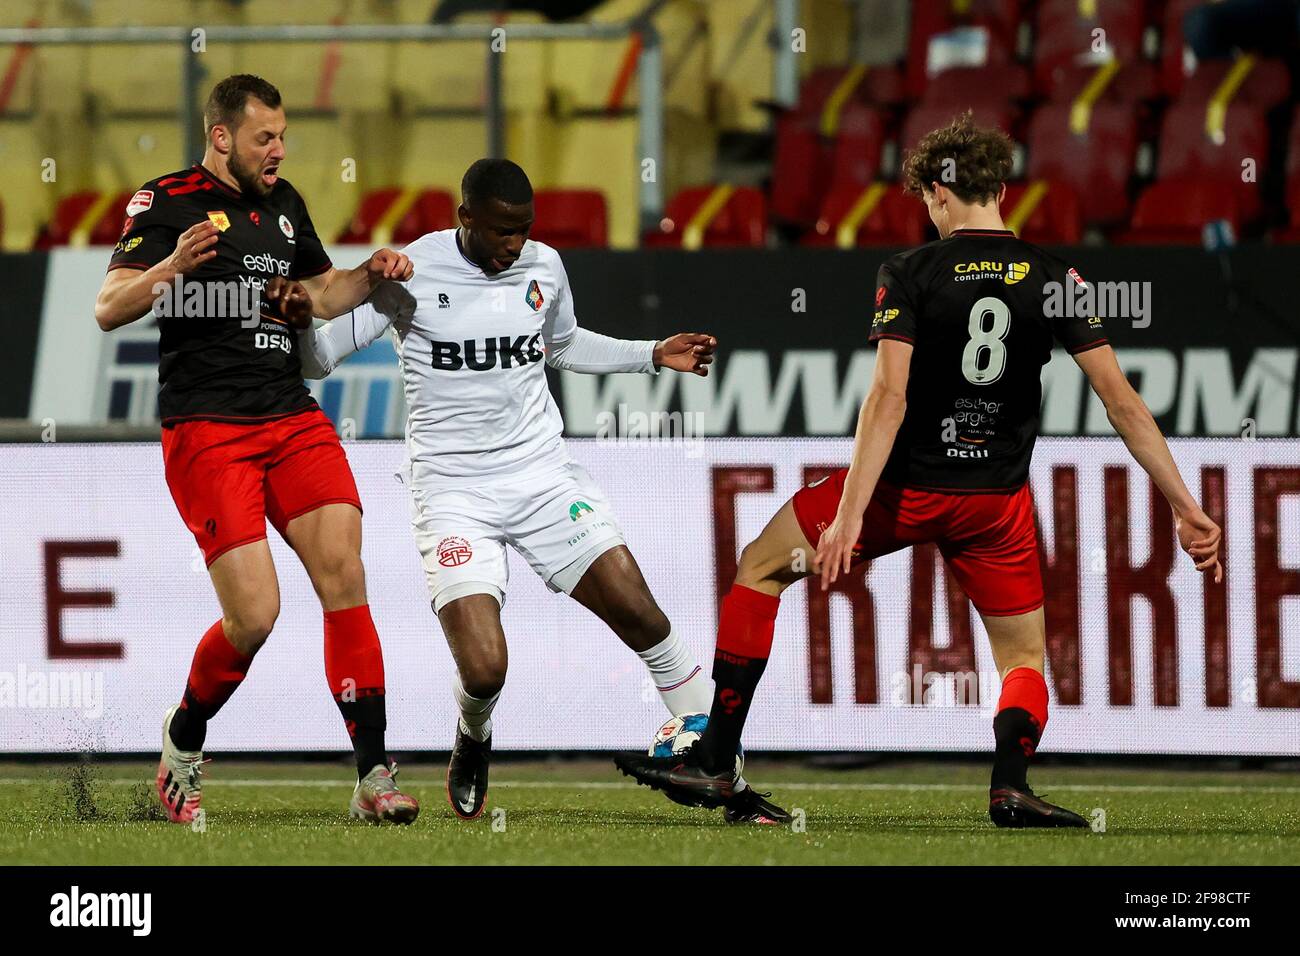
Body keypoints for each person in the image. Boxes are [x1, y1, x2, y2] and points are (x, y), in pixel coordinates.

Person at [614, 113, 1224, 828]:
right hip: (995, 503)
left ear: (941, 190)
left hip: (906, 490)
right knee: (1024, 654)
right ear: (997, 188)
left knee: (759, 567)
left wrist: (847, 516)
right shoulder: (1058, 276)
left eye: (926, 198)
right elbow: (1121, 402)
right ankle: (1010, 786)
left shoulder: (911, 270)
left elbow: (889, 397)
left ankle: (717, 757)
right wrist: (1184, 503)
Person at [298, 158, 788, 825]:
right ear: (464, 218)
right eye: (501, 231)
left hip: (540, 476)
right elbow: (318, 360)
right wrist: (293, 311)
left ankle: (721, 773)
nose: (514, 245)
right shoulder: (407, 274)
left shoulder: (543, 267)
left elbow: (562, 345)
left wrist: (651, 353)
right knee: (486, 668)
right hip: (452, 494)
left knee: (640, 611)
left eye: (523, 231)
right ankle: (473, 735)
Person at [94, 74, 419, 825]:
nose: (277, 150)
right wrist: (172, 267)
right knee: (256, 617)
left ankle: (374, 777)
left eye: (282, 136)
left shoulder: (284, 204)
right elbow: (109, 308)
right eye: (262, 138)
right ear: (221, 138)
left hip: (290, 414)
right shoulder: (164, 199)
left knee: (345, 572)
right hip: (208, 429)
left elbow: (324, 291)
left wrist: (369, 274)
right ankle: (183, 741)